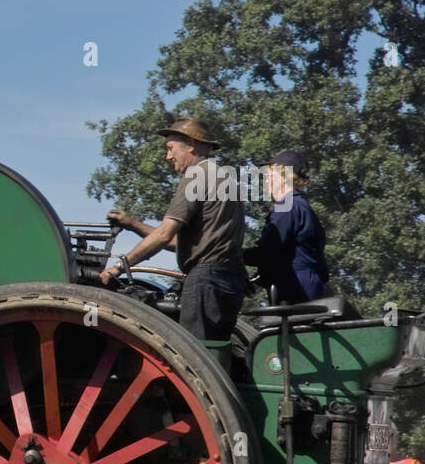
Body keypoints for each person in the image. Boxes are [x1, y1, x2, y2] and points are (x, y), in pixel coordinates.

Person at [101, 117, 245, 341]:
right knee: (215, 353)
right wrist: (132, 224)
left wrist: (117, 268)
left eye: (170, 149)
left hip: (204, 281)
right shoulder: (224, 176)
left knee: (194, 361)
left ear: (190, 144)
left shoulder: (196, 175)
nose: (168, 157)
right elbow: (181, 242)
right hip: (228, 281)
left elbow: (164, 234)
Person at [245, 151, 328, 304]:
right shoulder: (301, 207)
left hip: (295, 289)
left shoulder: (287, 207)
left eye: (270, 176)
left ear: (285, 176)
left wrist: (232, 254)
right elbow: (282, 255)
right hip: (309, 287)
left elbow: (267, 252)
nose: (267, 181)